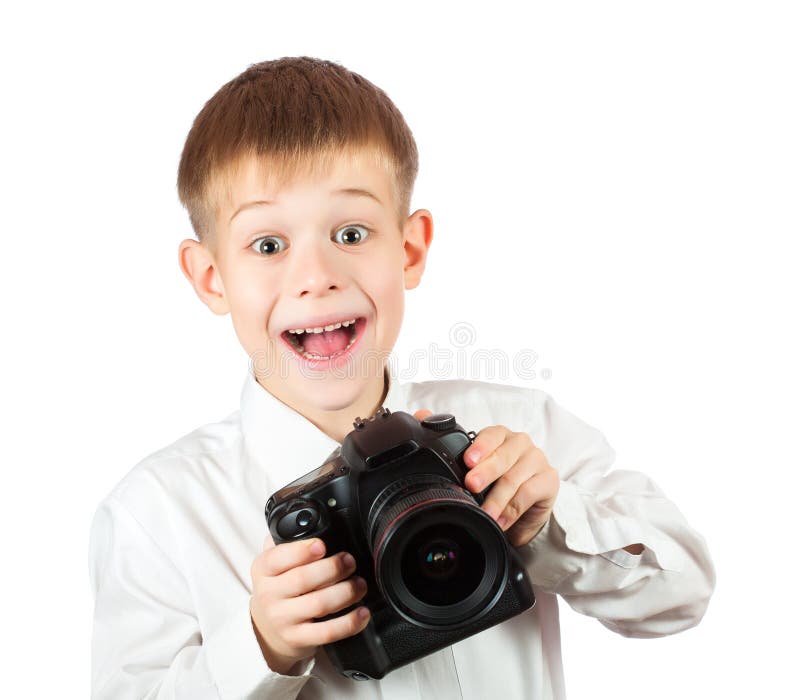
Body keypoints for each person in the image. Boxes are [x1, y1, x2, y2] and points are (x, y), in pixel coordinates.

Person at [88, 56, 715, 700]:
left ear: (410, 250)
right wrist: (260, 645)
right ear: (210, 277)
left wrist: (550, 526)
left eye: (352, 232)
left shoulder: (519, 435)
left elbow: (685, 592)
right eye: (268, 245)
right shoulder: (157, 514)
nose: (316, 275)